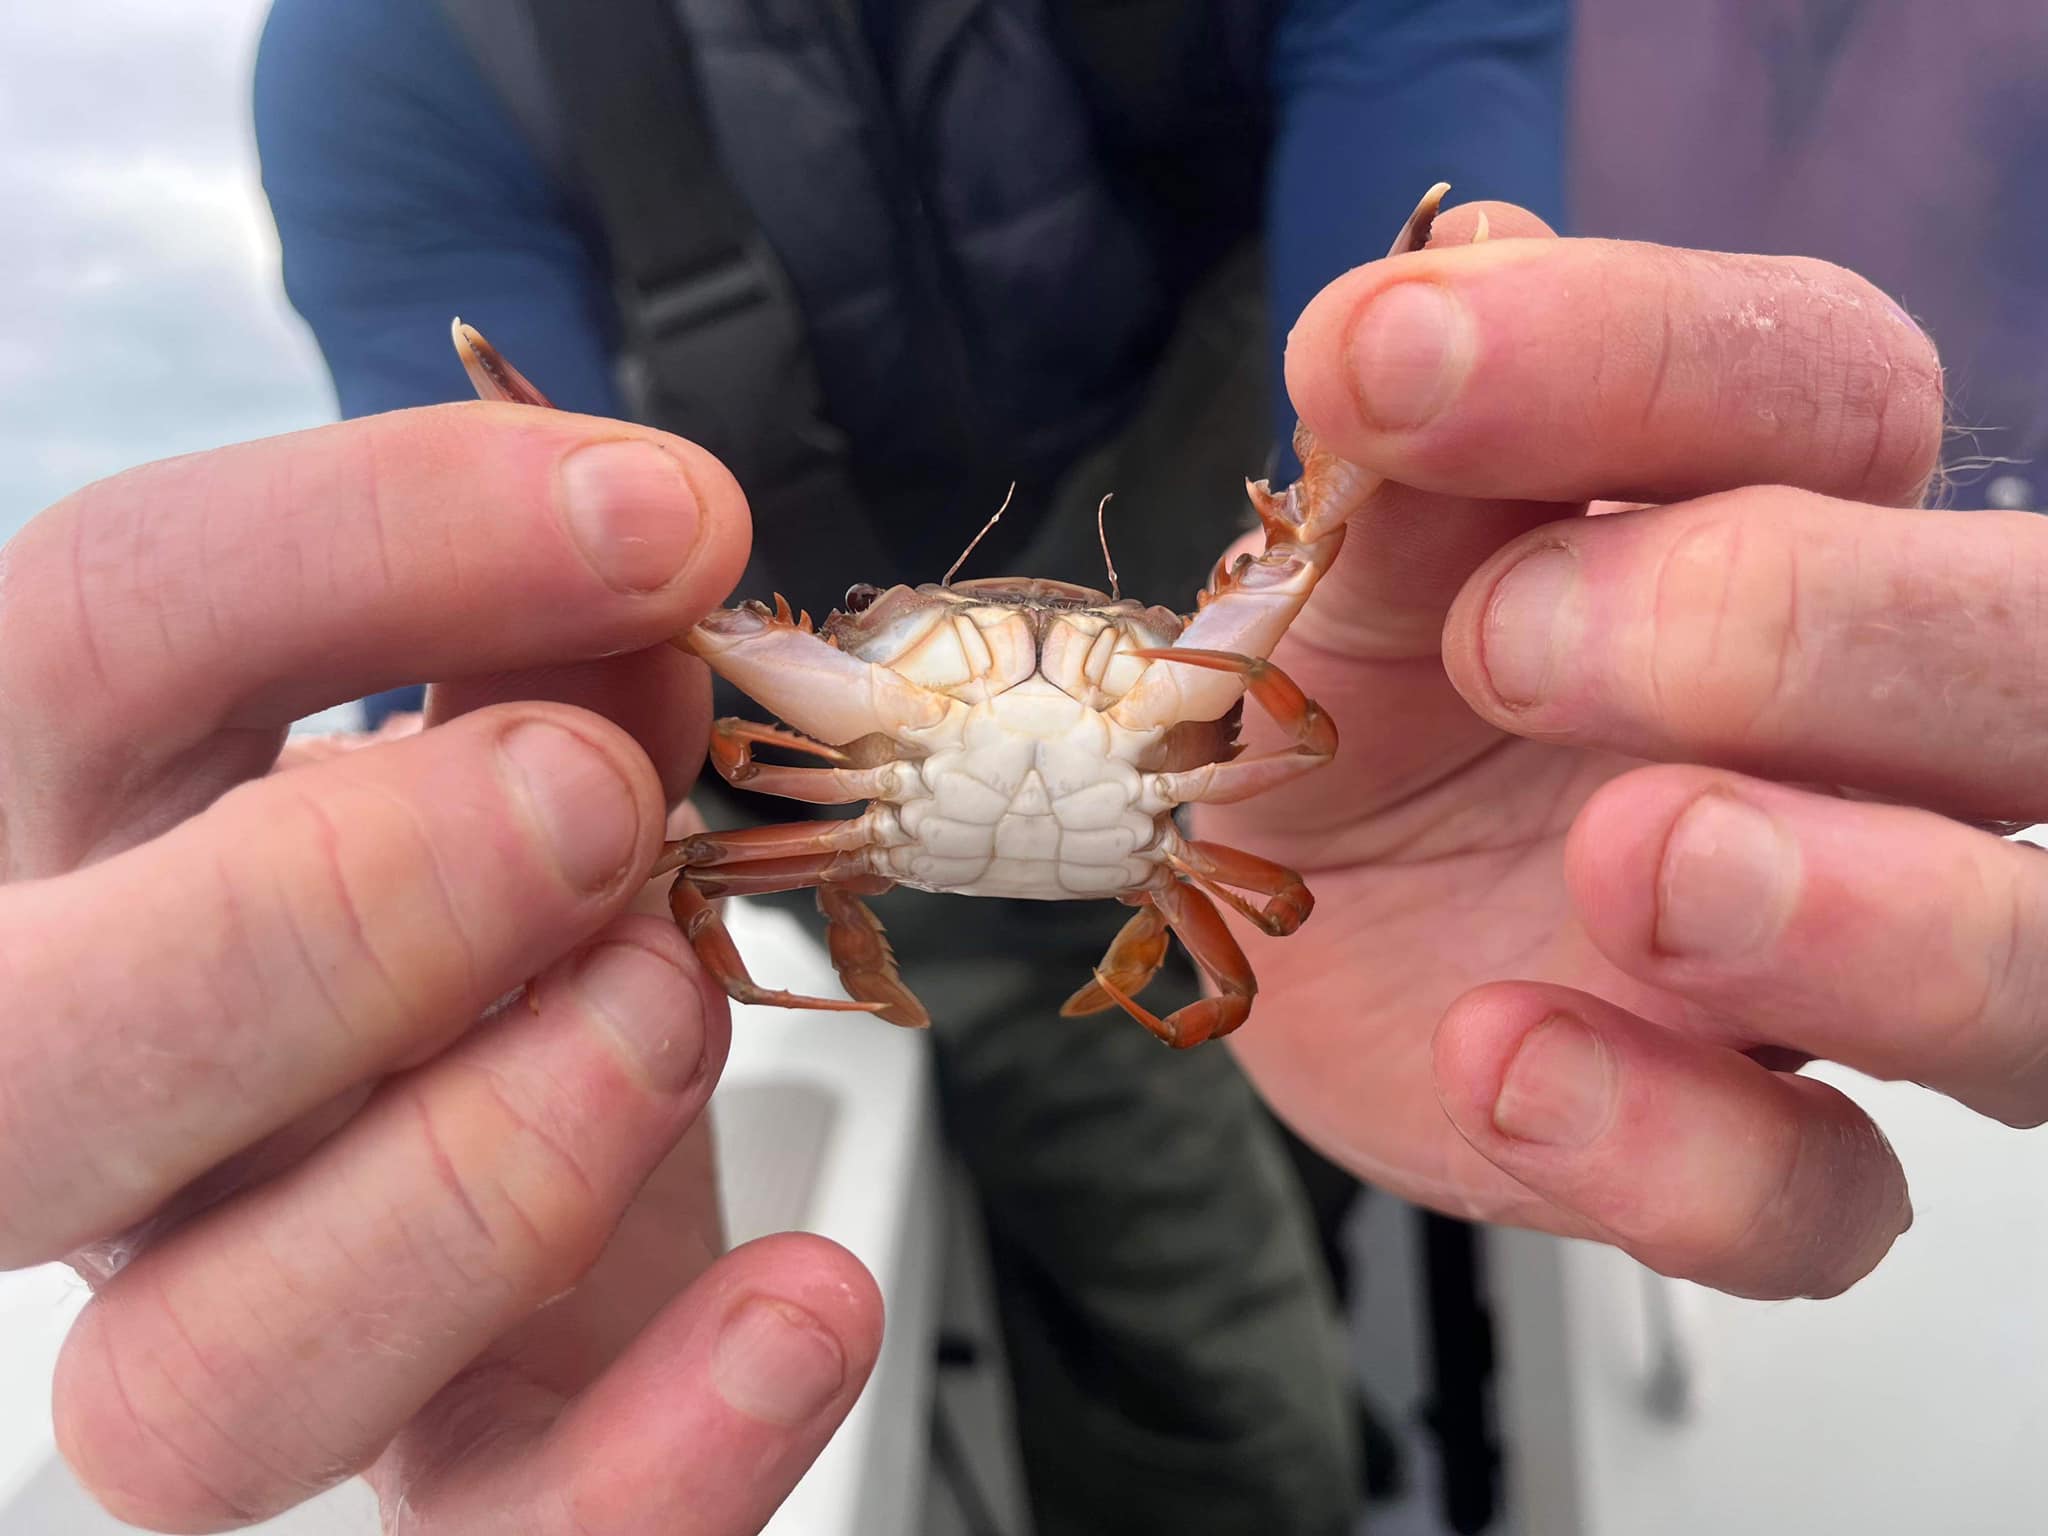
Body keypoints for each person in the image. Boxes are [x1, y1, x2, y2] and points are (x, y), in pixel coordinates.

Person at [12, 190, 2010, 1534]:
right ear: (856, 641)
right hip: (796, 857)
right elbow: (515, 569)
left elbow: (1385, 389)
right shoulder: (419, 54)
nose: (1025, 662)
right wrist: (379, 936)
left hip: (1254, 820)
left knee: (1235, 1388)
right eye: (954, 638)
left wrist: (1467, 553)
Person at [247, 4, 1571, 1533]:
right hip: (891, 802)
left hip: (1232, 710)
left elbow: (1415, 275)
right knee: (1205, 1339)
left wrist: (1394, 616)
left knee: (1291, 1118)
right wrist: (449, 888)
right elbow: (482, 562)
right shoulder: (406, 42)